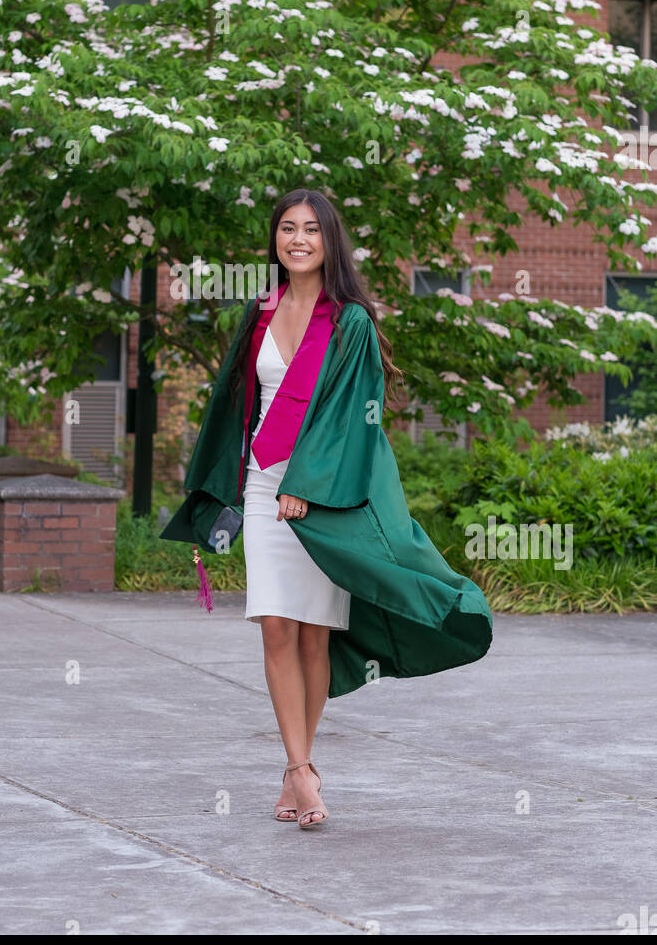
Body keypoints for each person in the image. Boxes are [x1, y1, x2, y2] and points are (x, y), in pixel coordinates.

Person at [161, 189, 493, 831]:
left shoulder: (351, 324)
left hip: (328, 495)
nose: (299, 239)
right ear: (275, 240)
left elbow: (354, 419)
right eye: (287, 229)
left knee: (315, 632)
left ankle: (298, 765)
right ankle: (300, 767)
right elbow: (236, 405)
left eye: (312, 229)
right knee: (276, 625)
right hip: (263, 485)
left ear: (329, 240)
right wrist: (221, 483)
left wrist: (309, 483)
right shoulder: (258, 313)